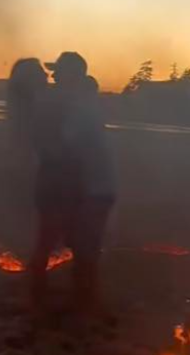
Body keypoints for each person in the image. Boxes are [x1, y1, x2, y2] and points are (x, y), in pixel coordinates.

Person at [19, 52, 115, 312]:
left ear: (72, 75)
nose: (53, 75)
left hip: (88, 188)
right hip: (85, 187)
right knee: (77, 246)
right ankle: (79, 302)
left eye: (58, 71)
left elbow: (67, 147)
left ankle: (77, 304)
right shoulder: (79, 101)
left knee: (76, 248)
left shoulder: (78, 106)